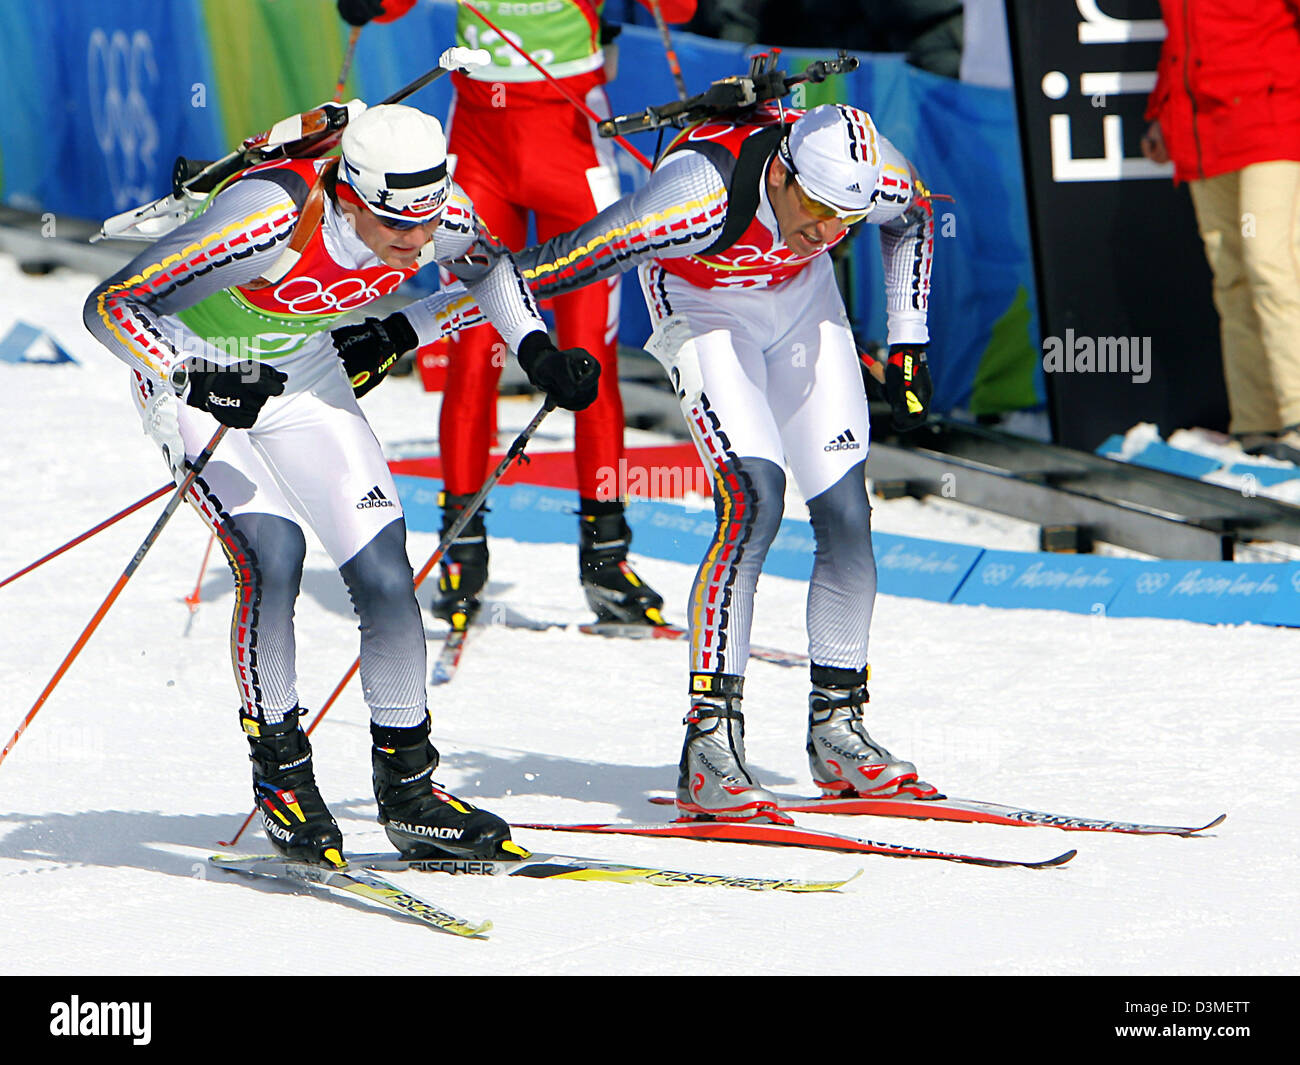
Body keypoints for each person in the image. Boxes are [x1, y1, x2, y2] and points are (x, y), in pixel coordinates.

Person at [344, 103, 940, 822]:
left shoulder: (865, 180)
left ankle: (838, 728)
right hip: (704, 305)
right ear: (780, 172)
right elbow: (556, 261)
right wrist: (402, 328)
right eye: (814, 209)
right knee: (755, 501)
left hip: (800, 304)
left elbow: (915, 216)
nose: (826, 231)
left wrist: (908, 339)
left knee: (846, 513)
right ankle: (711, 745)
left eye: (844, 220)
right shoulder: (696, 196)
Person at [83, 102, 599, 866]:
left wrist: (534, 349)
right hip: (196, 380)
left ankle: (410, 791)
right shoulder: (263, 219)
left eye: (428, 225)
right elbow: (110, 305)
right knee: (273, 555)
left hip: (303, 374)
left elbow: (487, 270)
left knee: (387, 575)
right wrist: (200, 375)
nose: (419, 244)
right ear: (349, 198)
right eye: (398, 230)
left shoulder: (427, 206)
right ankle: (283, 776)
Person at [337, 0, 694, 629]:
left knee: (588, 357)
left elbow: (682, 8)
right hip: (480, 146)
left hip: (571, 140)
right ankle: (462, 548)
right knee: (473, 348)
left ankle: (607, 559)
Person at [1142, 0, 1300, 460]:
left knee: (1271, 262)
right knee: (1232, 277)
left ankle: (1296, 413)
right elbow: (1181, 40)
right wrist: (1162, 112)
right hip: (1203, 129)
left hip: (1272, 116)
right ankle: (1256, 423)